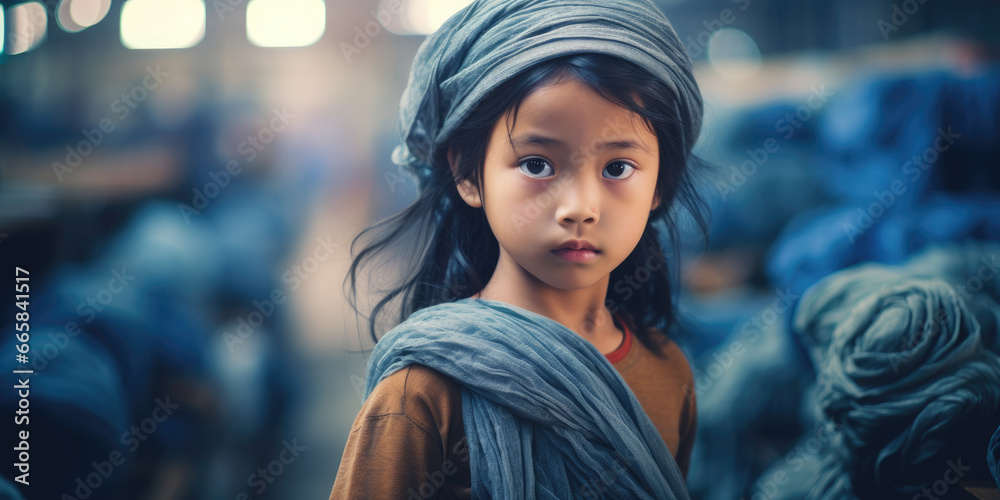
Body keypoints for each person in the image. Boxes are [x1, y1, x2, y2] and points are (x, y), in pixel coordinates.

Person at [330, 0, 711, 497]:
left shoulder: (668, 372)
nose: (579, 208)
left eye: (618, 168)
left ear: (660, 185)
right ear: (468, 173)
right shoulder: (424, 392)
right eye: (537, 164)